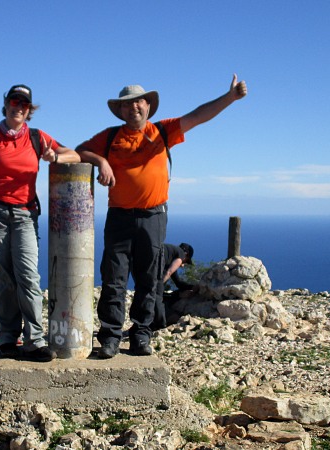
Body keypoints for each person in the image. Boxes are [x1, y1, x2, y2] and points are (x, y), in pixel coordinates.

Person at [77, 74, 248, 358]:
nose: (134, 107)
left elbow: (197, 116)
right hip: (119, 216)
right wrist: (101, 160)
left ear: (148, 105)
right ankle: (109, 336)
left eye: (139, 102)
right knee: (113, 278)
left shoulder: (162, 132)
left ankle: (141, 335)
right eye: (127, 104)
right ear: (120, 110)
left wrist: (229, 98)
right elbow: (78, 152)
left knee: (149, 278)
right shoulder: (109, 138)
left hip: (153, 216)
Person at [0, 84, 80, 362]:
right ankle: (7, 338)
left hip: (25, 215)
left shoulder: (37, 137)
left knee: (28, 276)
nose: (18, 107)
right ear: (5, 104)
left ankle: (34, 340)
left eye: (24, 104)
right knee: (3, 278)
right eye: (14, 102)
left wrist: (55, 156)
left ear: (29, 110)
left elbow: (74, 155)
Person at [151, 242, 195, 330]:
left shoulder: (170, 254)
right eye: (186, 261)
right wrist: (158, 285)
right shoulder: (181, 254)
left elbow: (178, 282)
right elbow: (169, 272)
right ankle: (160, 325)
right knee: (158, 296)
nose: (183, 265)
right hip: (154, 265)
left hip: (145, 262)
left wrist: (193, 287)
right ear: (186, 254)